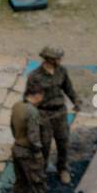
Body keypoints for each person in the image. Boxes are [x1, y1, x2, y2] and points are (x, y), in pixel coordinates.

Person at [26, 45, 79, 185]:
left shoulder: (61, 71)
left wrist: (76, 101)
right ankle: (41, 170)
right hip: (44, 114)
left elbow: (68, 88)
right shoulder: (35, 76)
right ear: (49, 58)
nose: (60, 60)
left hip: (60, 112)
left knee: (63, 142)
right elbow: (28, 98)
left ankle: (63, 169)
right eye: (57, 58)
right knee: (44, 145)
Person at [10, 80, 50, 193]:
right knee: (38, 183)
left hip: (17, 148)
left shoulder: (17, 106)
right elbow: (34, 137)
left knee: (20, 182)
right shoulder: (32, 112)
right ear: (37, 95)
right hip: (29, 152)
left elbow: (12, 128)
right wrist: (38, 152)